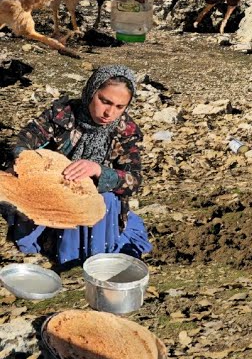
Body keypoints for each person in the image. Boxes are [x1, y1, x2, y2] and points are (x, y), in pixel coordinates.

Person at [3, 64, 151, 266]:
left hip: (94, 196)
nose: (109, 113)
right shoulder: (63, 114)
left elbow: (133, 179)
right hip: (54, 187)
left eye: (119, 107)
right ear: (91, 92)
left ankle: (83, 256)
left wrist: (99, 170)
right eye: (104, 101)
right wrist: (31, 163)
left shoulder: (125, 131)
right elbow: (23, 141)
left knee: (105, 201)